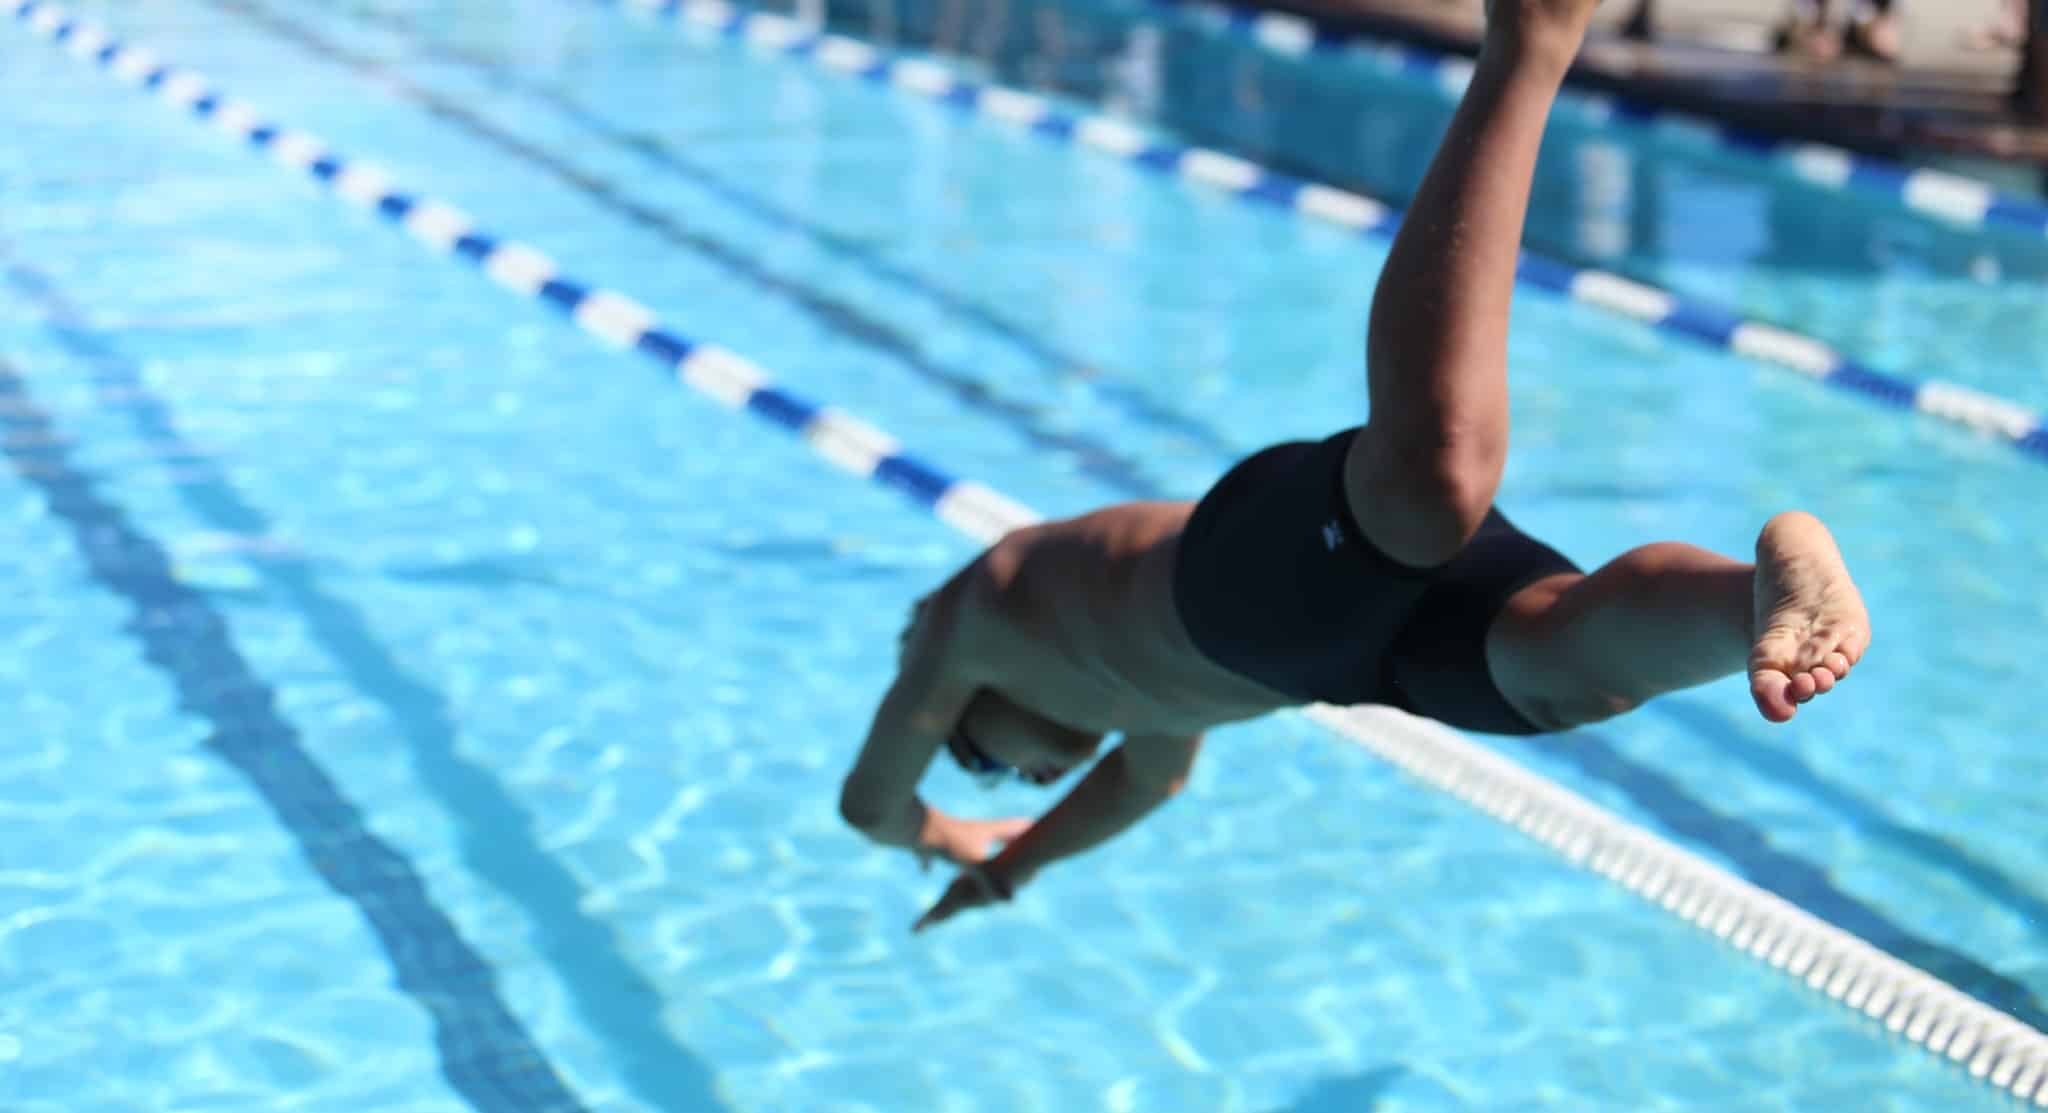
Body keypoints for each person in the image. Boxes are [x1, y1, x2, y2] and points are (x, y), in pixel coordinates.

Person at [838, 0, 1870, 932]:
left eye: (976, 759)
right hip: (1342, 660)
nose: (1011, 775)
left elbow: (868, 803)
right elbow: (1138, 789)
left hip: (1239, 584)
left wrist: (934, 833)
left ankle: (1527, 39)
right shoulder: (1135, 714)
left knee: (1435, 479)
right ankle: (1753, 599)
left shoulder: (966, 620)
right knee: (1564, 670)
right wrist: (1010, 866)